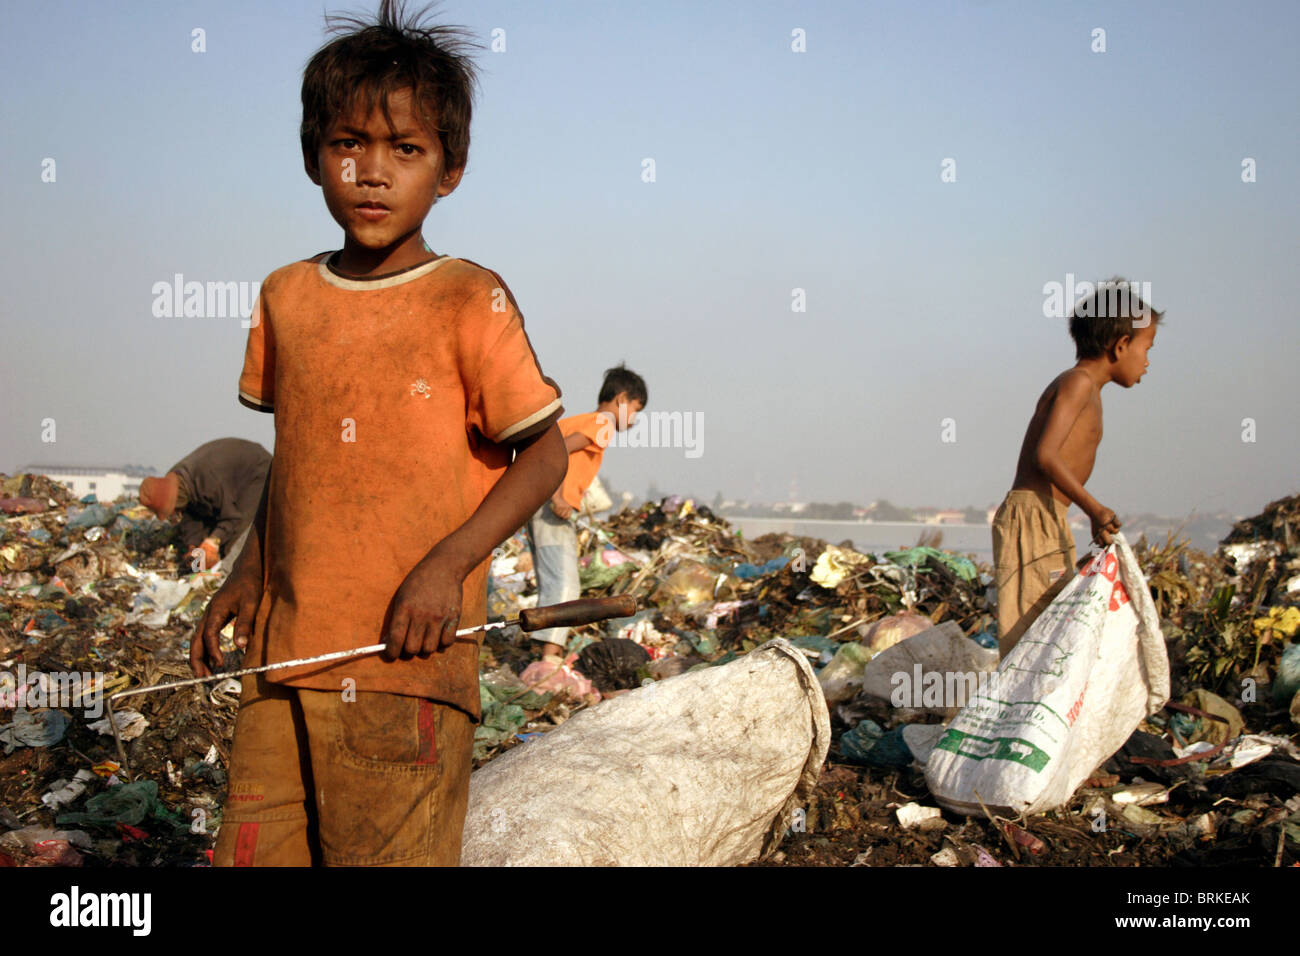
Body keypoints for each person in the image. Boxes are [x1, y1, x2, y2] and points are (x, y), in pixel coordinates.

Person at [191, 1, 568, 866]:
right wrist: (246, 577)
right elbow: (301, 461)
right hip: (279, 665)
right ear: (312, 157)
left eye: (406, 150)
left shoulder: (469, 298)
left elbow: (543, 450)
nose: (372, 173)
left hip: (405, 665)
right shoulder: (288, 296)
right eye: (348, 144)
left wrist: (446, 567)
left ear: (451, 171)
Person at [992, 279, 1161, 658]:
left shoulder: (1088, 389)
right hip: (1032, 518)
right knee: (1031, 637)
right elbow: (1046, 455)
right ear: (1120, 346)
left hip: (1050, 516)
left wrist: (1087, 516)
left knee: (1050, 632)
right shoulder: (1078, 383)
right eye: (1146, 349)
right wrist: (1095, 509)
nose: (1148, 361)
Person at [523, 365, 645, 688]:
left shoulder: (586, 421)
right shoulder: (602, 425)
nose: (633, 419)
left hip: (537, 502)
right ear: (621, 399)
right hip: (550, 506)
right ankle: (549, 661)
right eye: (635, 409)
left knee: (552, 580)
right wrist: (559, 494)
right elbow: (558, 451)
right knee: (565, 585)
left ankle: (542, 653)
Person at [138, 438, 270, 572]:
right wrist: (193, 547)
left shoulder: (208, 480)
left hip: (256, 472)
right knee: (205, 542)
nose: (175, 513)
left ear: (176, 499)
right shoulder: (177, 481)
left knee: (235, 542)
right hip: (224, 484)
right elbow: (190, 516)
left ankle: (231, 576)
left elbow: (232, 517)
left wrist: (213, 541)